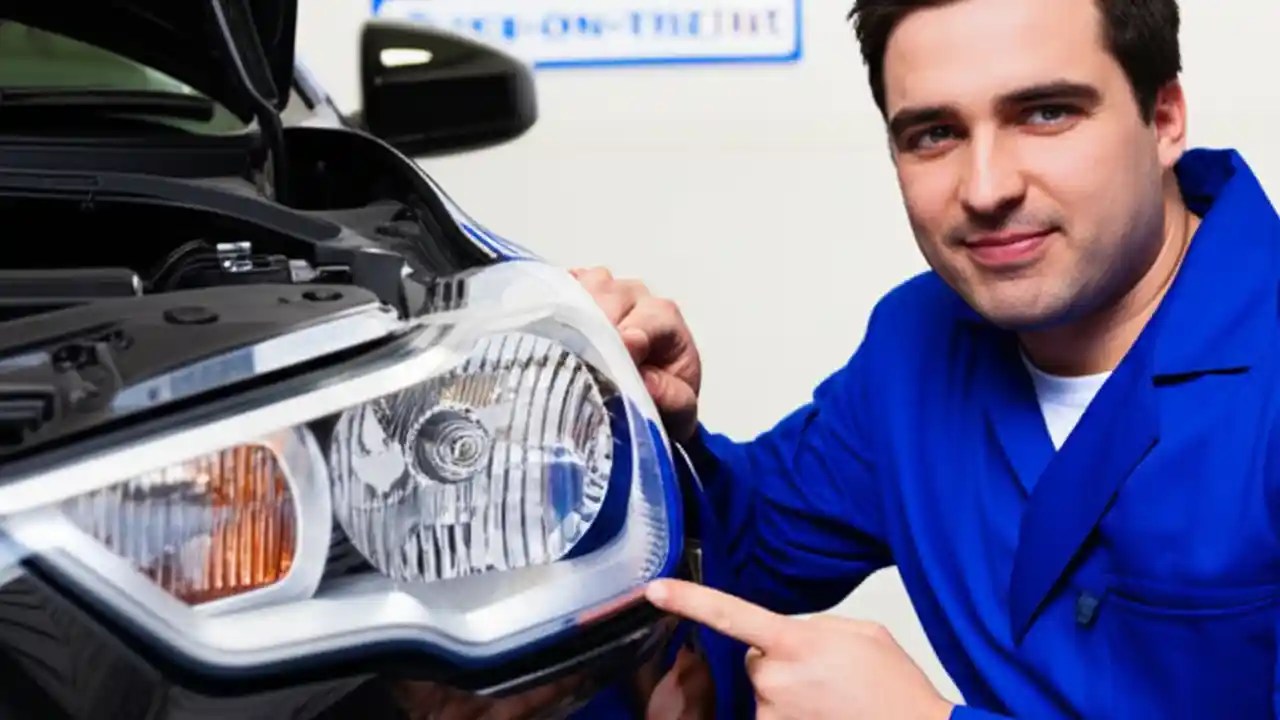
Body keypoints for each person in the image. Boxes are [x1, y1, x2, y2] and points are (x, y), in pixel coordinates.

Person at [573, 0, 1280, 717]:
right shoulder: (916, 346)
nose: (985, 189)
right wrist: (641, 425)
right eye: (935, 134)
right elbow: (747, 556)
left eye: (1045, 113)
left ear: (1163, 119)